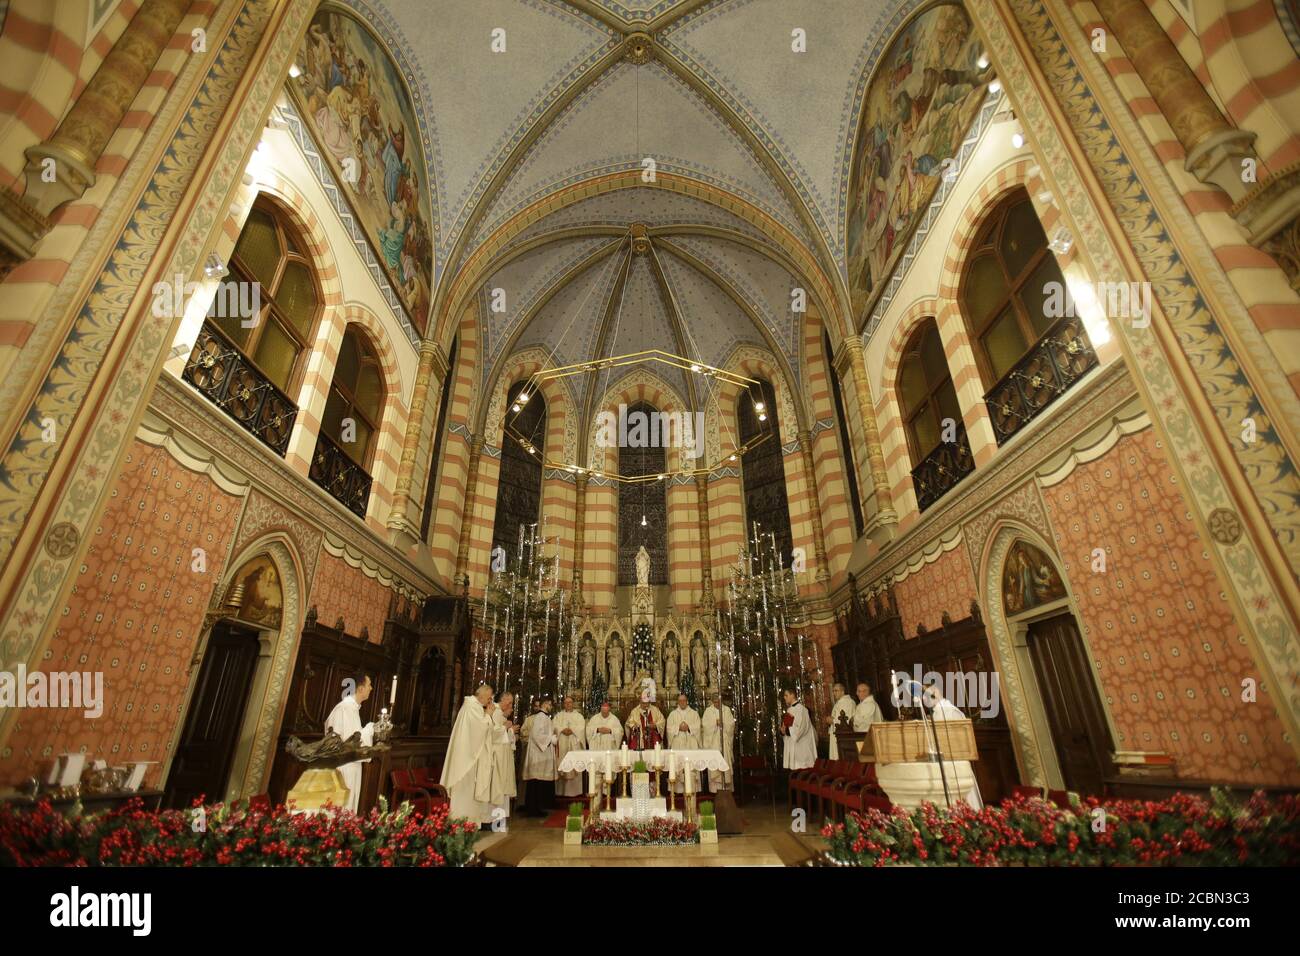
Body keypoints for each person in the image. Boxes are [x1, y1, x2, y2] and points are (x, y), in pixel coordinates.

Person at [439, 685, 497, 826]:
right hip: (467, 759)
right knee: (465, 791)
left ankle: (468, 823)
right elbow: (480, 729)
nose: (490, 701)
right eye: (489, 698)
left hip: (470, 755)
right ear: (481, 695)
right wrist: (488, 715)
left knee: (469, 792)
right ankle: (461, 823)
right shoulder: (472, 708)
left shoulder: (473, 707)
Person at [323, 672, 375, 812]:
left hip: (352, 767)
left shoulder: (353, 709)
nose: (371, 688)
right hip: (342, 769)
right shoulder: (344, 708)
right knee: (338, 809)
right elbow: (340, 741)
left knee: (348, 809)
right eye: (369, 685)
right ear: (360, 688)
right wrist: (369, 730)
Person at [522, 697, 557, 816]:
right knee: (535, 781)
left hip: (542, 753)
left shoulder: (545, 717)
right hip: (538, 754)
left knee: (538, 782)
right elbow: (536, 734)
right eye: (550, 704)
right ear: (545, 704)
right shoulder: (540, 717)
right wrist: (550, 739)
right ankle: (533, 809)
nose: (551, 706)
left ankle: (537, 808)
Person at [490, 692, 518, 820]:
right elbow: (491, 733)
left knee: (503, 785)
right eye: (509, 702)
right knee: (497, 786)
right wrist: (506, 727)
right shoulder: (494, 712)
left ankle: (500, 819)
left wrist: (510, 730)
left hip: (503, 755)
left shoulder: (500, 713)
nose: (510, 705)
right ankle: (495, 818)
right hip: (496, 756)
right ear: (502, 699)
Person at [553, 695, 586, 797]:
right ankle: (560, 792)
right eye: (566, 702)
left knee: (574, 764)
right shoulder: (558, 716)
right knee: (562, 764)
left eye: (570, 702)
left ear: (573, 704)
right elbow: (554, 726)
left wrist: (572, 730)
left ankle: (575, 792)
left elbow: (581, 728)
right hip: (562, 743)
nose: (568, 704)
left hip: (573, 744)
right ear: (564, 704)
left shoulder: (578, 716)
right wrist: (562, 729)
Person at [701, 693, 735, 792]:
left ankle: (726, 790)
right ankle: (715, 791)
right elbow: (705, 726)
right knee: (714, 767)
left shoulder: (726, 710)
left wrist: (723, 724)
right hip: (713, 742)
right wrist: (714, 724)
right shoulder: (708, 711)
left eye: (718, 702)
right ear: (712, 702)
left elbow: (731, 725)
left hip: (724, 740)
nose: (717, 703)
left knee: (725, 764)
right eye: (715, 702)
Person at [666, 693, 699, 793]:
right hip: (677, 744)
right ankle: (678, 790)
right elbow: (669, 728)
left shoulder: (694, 713)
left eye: (684, 700)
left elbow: (698, 726)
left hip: (691, 743)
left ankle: (692, 789)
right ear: (678, 702)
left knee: (691, 767)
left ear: (687, 701)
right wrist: (678, 727)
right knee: (678, 766)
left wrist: (689, 727)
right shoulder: (673, 714)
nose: (682, 702)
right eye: (680, 701)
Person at [780, 688, 817, 772]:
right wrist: (783, 730)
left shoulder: (802, 709)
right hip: (794, 748)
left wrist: (787, 730)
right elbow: (788, 727)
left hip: (801, 748)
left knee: (803, 772)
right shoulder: (790, 710)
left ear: (792, 695)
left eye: (786, 695)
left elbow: (802, 728)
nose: (784, 698)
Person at [827, 683, 857, 760]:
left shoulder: (846, 702)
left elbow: (845, 719)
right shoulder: (840, 702)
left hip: (843, 735)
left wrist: (832, 720)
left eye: (836, 691)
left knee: (840, 757)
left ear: (843, 692)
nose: (834, 693)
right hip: (837, 734)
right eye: (833, 691)